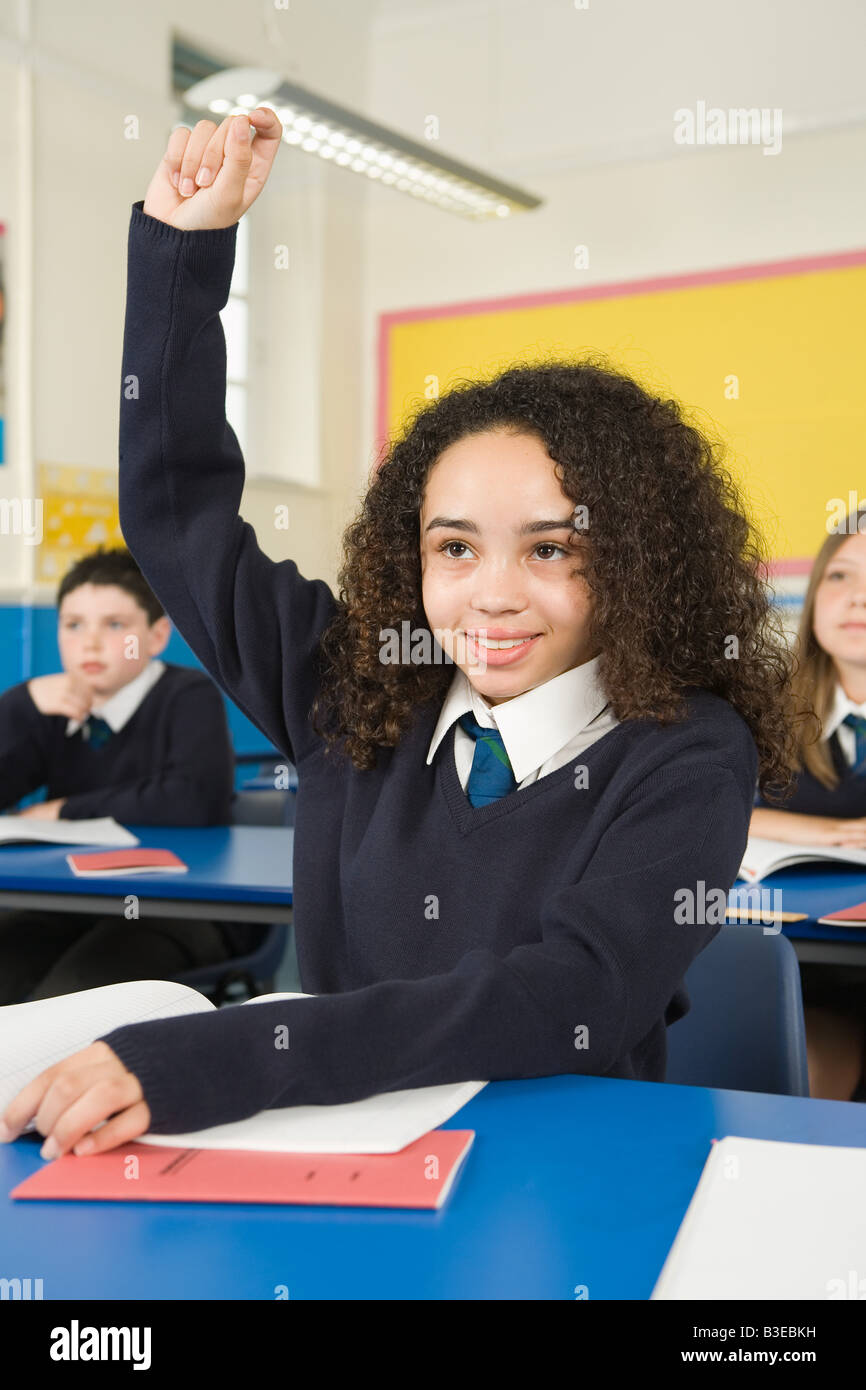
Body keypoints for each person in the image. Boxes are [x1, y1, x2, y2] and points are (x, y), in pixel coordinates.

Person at [0, 109, 798, 1160]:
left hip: (559, 1165)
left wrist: (233, 1055)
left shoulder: (684, 747)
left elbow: (574, 992)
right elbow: (175, 514)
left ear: (633, 564)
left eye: (551, 550)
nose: (491, 596)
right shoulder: (355, 686)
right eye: (454, 548)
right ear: (408, 556)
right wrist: (181, 254)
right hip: (332, 1154)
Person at [0, 545, 257, 1004]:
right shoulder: (50, 705)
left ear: (156, 637)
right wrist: (19, 707)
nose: (90, 643)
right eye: (73, 625)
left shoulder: (187, 694)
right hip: (73, 902)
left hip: (179, 907)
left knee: (70, 995)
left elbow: (194, 798)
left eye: (115, 625)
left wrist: (64, 810)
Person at [752, 516, 866, 1100]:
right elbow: (727, 808)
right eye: (840, 576)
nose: (858, 598)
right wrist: (839, 832)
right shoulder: (772, 710)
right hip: (813, 974)